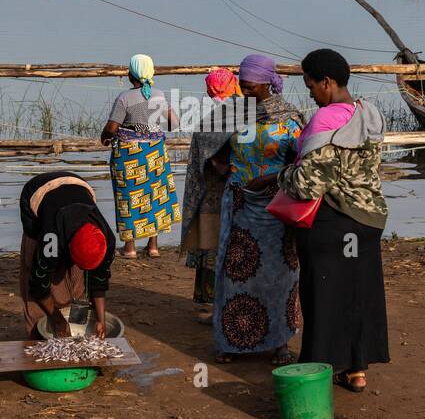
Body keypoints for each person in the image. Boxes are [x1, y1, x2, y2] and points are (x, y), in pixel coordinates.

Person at [277, 48, 389, 392]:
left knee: (323, 298)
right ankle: (356, 371)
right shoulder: (369, 114)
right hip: (367, 221)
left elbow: (307, 184)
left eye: (311, 85)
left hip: (332, 222)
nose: (310, 93)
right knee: (357, 295)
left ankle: (316, 371)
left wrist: (283, 174)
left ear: (327, 82)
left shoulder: (325, 121)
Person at [211, 55, 304, 365]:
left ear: (267, 83)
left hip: (277, 208)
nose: (245, 91)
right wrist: (223, 170)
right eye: (242, 86)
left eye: (249, 86)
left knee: (280, 274)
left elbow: (302, 160)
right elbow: (214, 151)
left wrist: (276, 178)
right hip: (240, 206)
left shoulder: (289, 117)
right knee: (236, 272)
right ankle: (231, 342)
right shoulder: (235, 114)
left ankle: (280, 343)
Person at [99, 54, 180, 258]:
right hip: (155, 152)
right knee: (156, 195)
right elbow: (174, 124)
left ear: (130, 75)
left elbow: (112, 127)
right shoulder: (160, 95)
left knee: (128, 196)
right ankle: (153, 246)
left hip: (129, 155)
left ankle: (130, 248)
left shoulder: (124, 98)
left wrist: (105, 136)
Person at [18, 170, 116, 339]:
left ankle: (75, 321)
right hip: (37, 193)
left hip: (77, 186)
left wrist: (101, 319)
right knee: (38, 267)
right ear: (69, 246)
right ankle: (37, 333)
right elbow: (38, 284)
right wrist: (56, 319)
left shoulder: (106, 239)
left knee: (78, 281)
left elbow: (99, 280)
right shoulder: (51, 239)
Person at [178, 67, 241, 321]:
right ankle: (226, 306)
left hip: (216, 192)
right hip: (237, 190)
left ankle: (219, 307)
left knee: (216, 247)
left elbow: (209, 155)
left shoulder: (214, 114)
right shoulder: (243, 109)